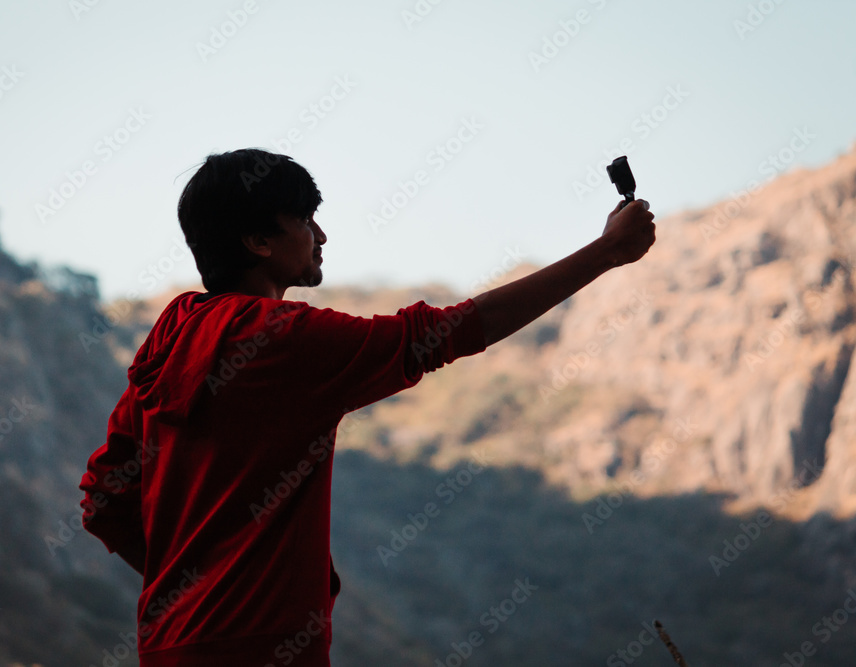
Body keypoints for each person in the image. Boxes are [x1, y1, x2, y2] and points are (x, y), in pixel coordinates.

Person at [78, 148, 655, 666]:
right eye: (304, 220)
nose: (320, 235)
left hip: (168, 646)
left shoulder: (170, 339)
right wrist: (606, 252)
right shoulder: (284, 339)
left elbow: (104, 501)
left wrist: (190, 591)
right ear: (259, 241)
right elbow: (445, 334)